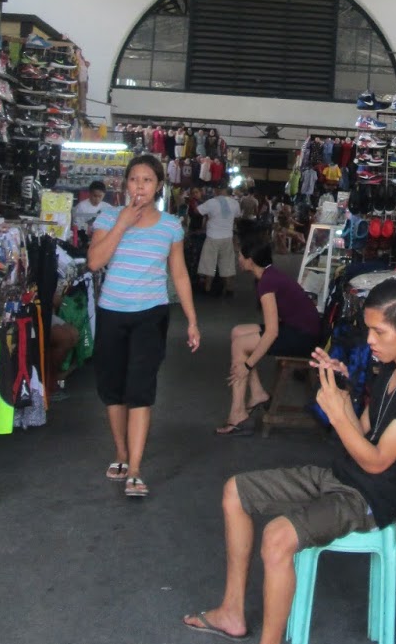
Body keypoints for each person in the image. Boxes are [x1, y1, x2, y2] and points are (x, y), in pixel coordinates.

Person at [184, 277, 396, 644]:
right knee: (236, 491)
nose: (369, 340)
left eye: (379, 332)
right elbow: (360, 432)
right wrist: (339, 391)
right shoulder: (390, 371)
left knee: (277, 537)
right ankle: (231, 611)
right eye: (369, 330)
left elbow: (376, 461)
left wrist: (337, 413)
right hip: (339, 476)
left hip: (368, 499)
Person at [87, 153, 200, 497]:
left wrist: (193, 320)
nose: (140, 186)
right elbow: (94, 262)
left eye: (147, 180)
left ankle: (135, 467)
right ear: (125, 184)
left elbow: (178, 273)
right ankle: (120, 453)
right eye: (134, 179)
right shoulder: (107, 217)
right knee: (112, 387)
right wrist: (122, 223)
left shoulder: (170, 225)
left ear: (159, 186)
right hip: (112, 312)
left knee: (140, 388)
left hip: (151, 313)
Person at [216, 232, 321, 435]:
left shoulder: (266, 282)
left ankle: (237, 413)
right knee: (237, 332)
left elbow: (271, 331)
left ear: (250, 259)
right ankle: (256, 393)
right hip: (298, 328)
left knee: (240, 345)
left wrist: (247, 365)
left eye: (240, 255)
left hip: (303, 337)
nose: (238, 258)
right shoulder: (268, 276)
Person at [196, 184, 241, 296]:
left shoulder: (211, 202)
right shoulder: (235, 203)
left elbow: (198, 211)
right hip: (227, 237)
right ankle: (229, 289)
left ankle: (208, 288)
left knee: (209, 264)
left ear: (217, 190)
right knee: (227, 264)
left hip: (212, 237)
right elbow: (237, 217)